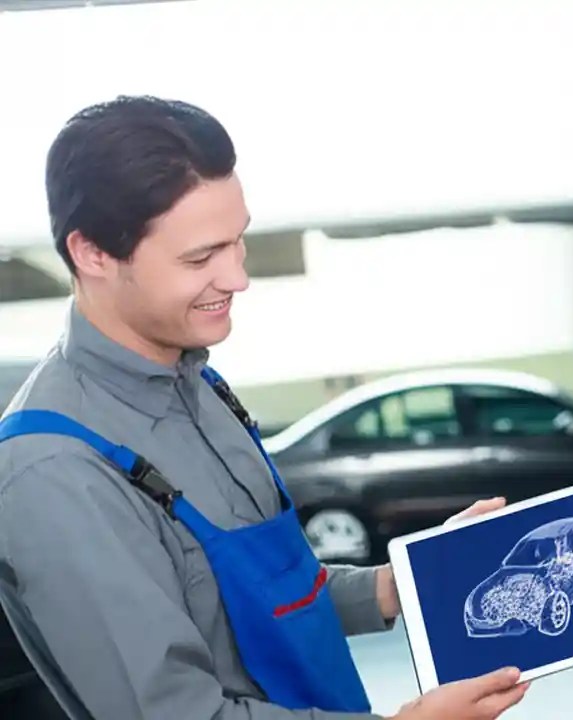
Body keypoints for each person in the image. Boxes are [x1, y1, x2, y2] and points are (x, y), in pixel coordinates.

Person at [0, 96, 529, 720]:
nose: (238, 277)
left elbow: (272, 598)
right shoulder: (54, 473)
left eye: (238, 242)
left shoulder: (203, 386)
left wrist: (408, 582)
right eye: (200, 258)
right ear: (91, 254)